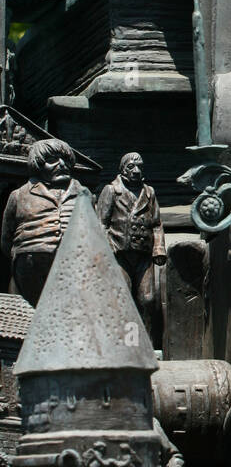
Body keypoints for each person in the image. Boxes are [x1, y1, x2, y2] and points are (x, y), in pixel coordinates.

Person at [0, 139, 88, 306]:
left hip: (72, 264)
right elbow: (6, 239)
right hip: (31, 264)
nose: (61, 164)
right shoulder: (19, 195)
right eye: (52, 160)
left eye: (65, 160)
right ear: (38, 165)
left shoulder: (84, 193)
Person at [97, 153, 166, 343]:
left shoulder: (149, 192)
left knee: (148, 299)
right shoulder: (111, 190)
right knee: (123, 297)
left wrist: (159, 248)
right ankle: (126, 345)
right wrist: (104, 250)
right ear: (122, 169)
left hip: (143, 254)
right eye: (131, 167)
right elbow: (101, 222)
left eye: (139, 167)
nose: (136, 171)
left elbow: (156, 223)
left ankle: (146, 345)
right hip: (119, 253)